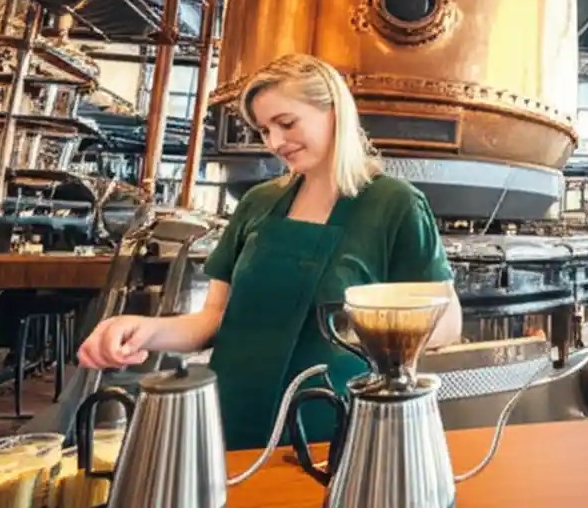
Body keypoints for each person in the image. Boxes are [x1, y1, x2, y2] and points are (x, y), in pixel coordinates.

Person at [78, 54, 462, 449]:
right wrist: (145, 330)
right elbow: (215, 317)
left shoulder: (394, 203)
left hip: (332, 424)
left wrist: (376, 321)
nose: (275, 143)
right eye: (264, 130)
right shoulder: (258, 202)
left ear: (334, 110)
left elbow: (448, 325)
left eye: (287, 123)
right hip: (231, 417)